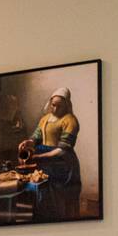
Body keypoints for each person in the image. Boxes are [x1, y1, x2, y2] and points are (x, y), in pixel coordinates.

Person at [28, 88, 81, 220]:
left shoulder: (70, 121)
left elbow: (62, 150)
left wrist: (39, 157)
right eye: (53, 105)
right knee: (42, 192)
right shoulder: (45, 119)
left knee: (59, 196)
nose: (55, 108)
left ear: (67, 105)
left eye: (59, 106)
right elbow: (36, 137)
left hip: (62, 163)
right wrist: (28, 142)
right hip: (44, 162)